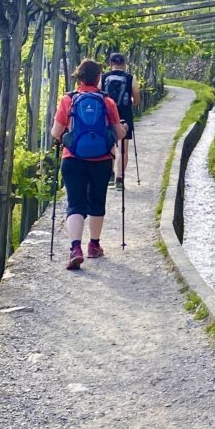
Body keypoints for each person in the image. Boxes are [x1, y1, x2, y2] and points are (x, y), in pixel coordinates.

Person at [50, 59, 125, 271]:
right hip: (101, 160)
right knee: (97, 201)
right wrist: (124, 129)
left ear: (79, 77)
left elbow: (56, 133)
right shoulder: (107, 101)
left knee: (75, 203)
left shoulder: (68, 100)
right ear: (98, 78)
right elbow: (118, 133)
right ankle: (94, 245)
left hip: (72, 158)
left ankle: (75, 249)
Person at [101, 51, 139, 189]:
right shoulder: (130, 78)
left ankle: (109, 175)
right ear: (124, 63)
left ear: (110, 64)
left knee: (109, 145)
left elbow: (98, 95)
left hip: (107, 115)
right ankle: (119, 179)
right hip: (125, 115)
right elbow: (137, 97)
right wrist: (131, 103)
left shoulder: (103, 77)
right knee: (123, 148)